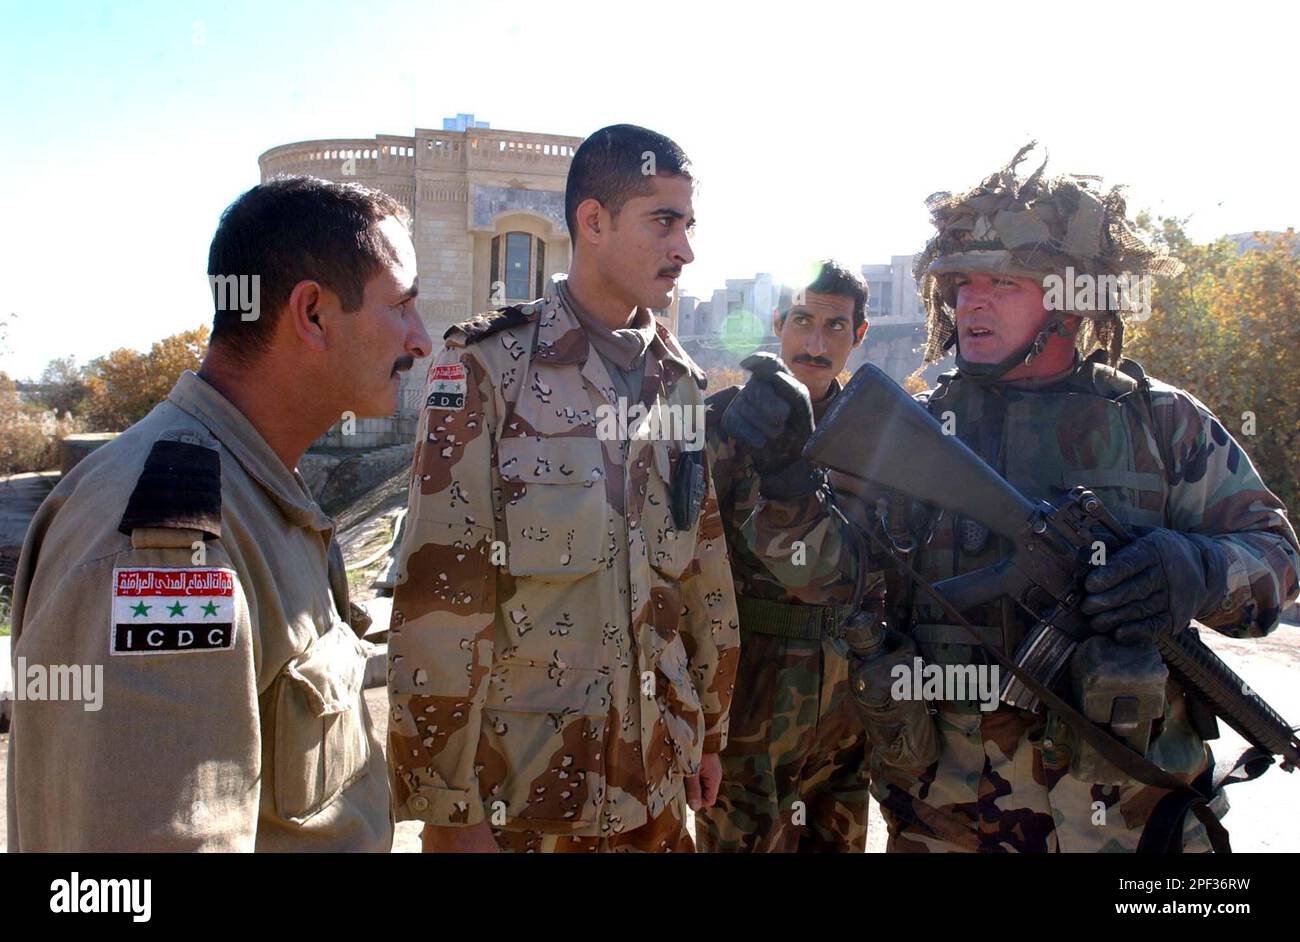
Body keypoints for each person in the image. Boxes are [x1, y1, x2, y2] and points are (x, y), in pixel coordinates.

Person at [730, 145, 1300, 852]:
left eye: (1002, 282)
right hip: (945, 821)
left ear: (1067, 297)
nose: (971, 301)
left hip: (1126, 823)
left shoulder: (1159, 423)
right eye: (961, 283)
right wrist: (786, 484)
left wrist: (1197, 571)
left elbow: (1276, 558)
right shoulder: (913, 427)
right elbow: (828, 580)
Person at [6, 176, 429, 851]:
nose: (422, 339)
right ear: (313, 313)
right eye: (403, 305)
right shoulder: (164, 543)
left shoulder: (259, 492)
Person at [387, 124, 741, 853]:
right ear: (594, 221)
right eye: (664, 221)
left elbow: (704, 570)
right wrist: (450, 813)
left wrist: (710, 729)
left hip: (659, 784)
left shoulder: (679, 384)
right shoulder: (488, 368)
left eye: (689, 224)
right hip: (529, 800)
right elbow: (440, 595)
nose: (685, 249)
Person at [695, 261, 873, 852]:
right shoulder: (721, 425)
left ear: (860, 335)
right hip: (750, 700)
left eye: (836, 326)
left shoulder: (880, 437)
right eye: (802, 320)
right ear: (778, 324)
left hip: (849, 702)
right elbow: (679, 570)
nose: (816, 344)